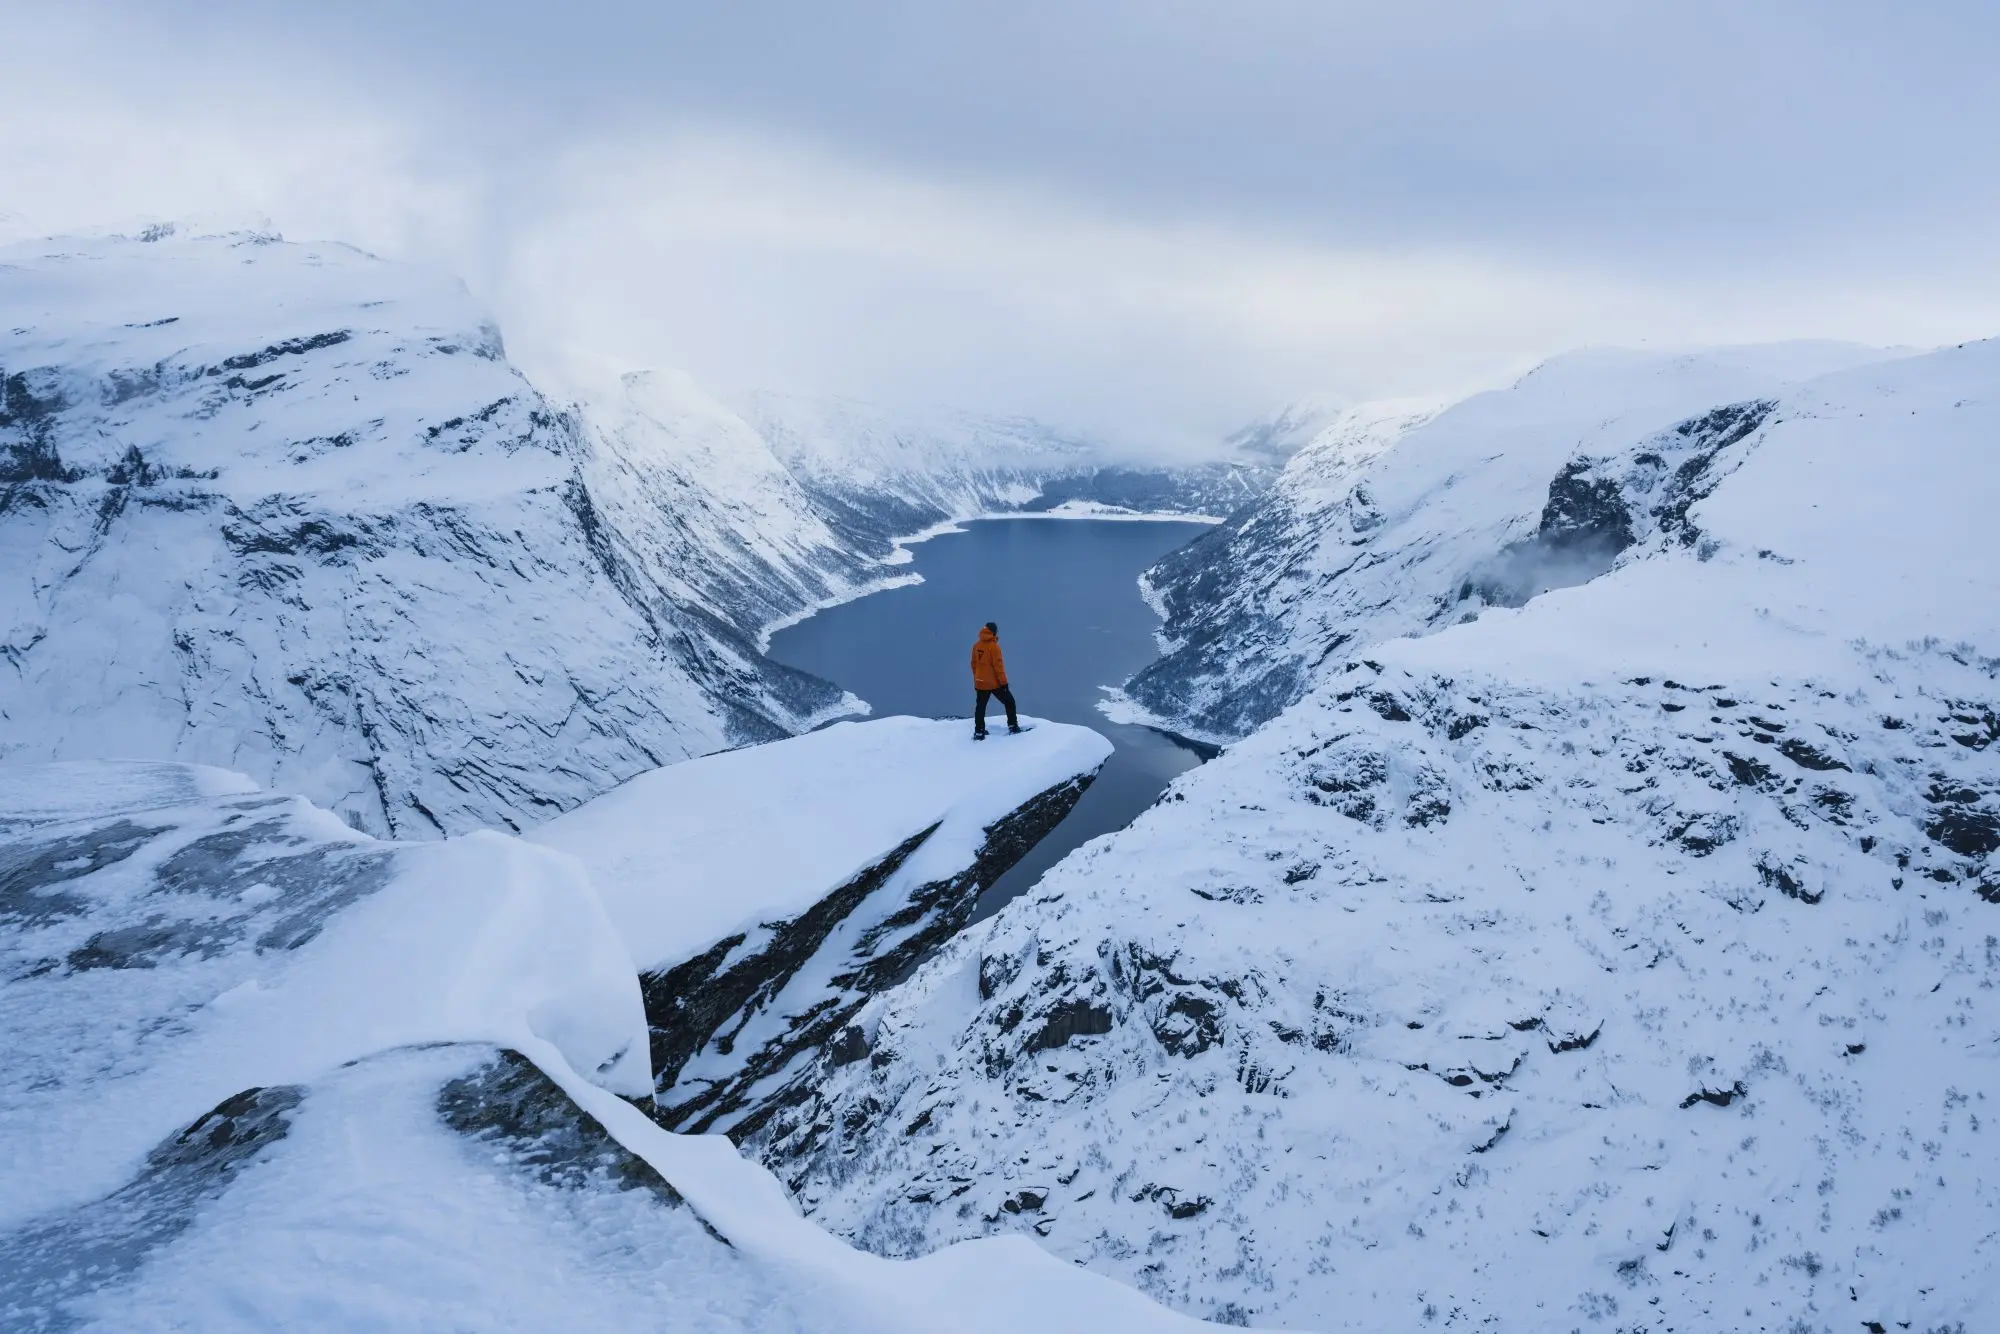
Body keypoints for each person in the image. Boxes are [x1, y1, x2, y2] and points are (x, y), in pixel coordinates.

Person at [970, 621, 1020, 739]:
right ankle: (1013, 726)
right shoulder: (994, 647)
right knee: (1009, 702)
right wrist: (1004, 683)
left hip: (980, 682)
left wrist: (977, 678)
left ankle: (979, 731)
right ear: (994, 632)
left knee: (980, 707)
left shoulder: (976, 645)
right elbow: (998, 667)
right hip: (994, 683)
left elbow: (973, 664)